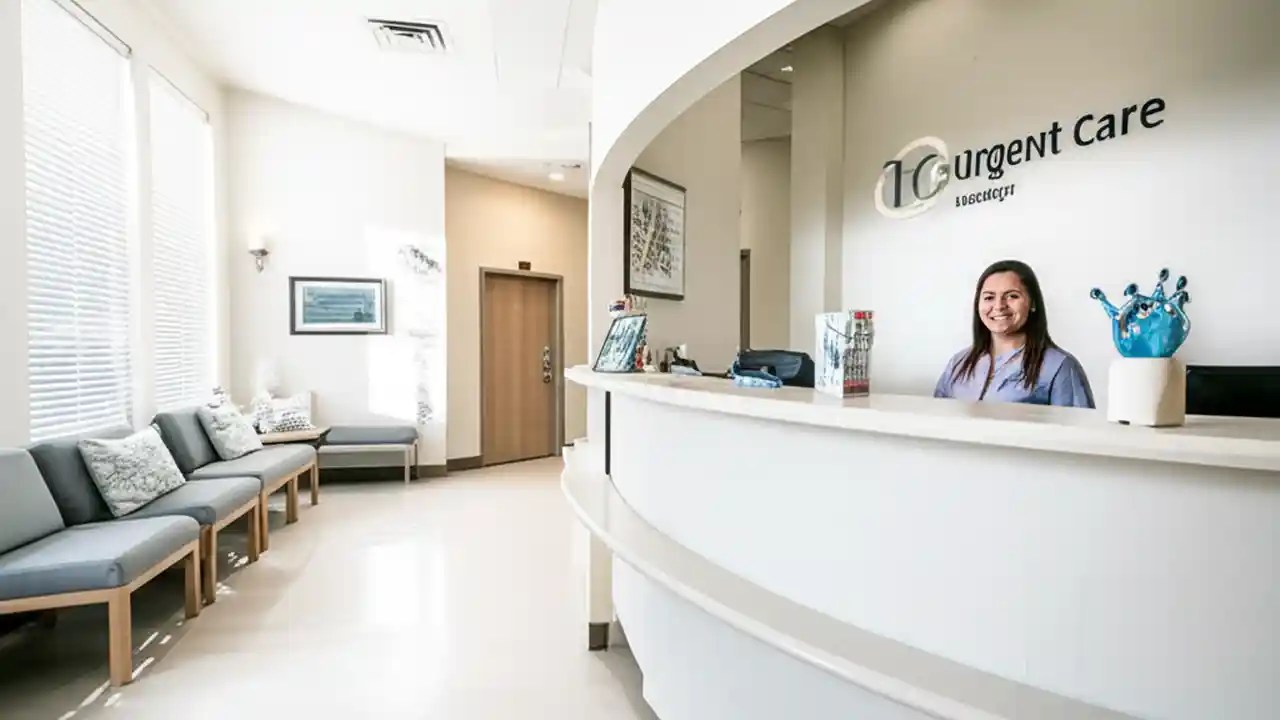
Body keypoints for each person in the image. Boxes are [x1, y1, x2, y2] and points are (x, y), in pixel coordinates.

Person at [934, 259, 1095, 408]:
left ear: (1032, 303)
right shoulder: (958, 363)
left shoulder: (1060, 367)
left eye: (1012, 296)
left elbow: (1079, 434)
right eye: (989, 297)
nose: (998, 306)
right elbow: (937, 423)